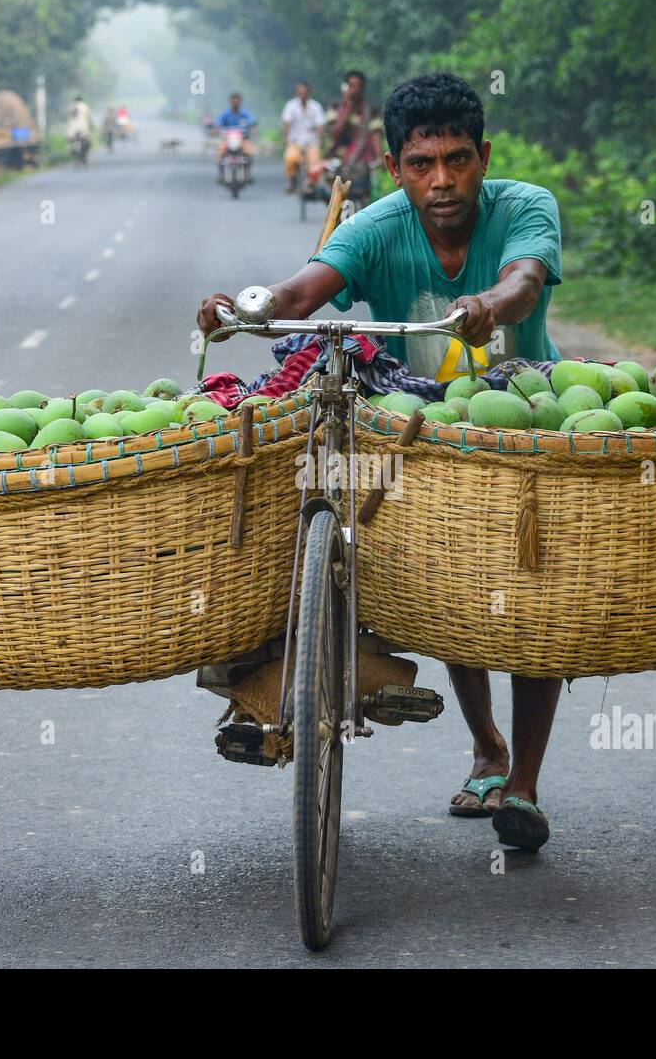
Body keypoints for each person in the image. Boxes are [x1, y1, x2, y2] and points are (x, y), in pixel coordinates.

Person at [197, 73, 564, 851]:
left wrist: (488, 309)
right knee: (452, 588)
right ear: (396, 165)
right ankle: (486, 749)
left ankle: (523, 785)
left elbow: (525, 281)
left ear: (483, 156)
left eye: (459, 161)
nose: (442, 181)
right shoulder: (376, 225)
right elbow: (301, 294)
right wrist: (243, 310)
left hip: (525, 418)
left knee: (535, 602)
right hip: (418, 423)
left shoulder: (527, 206)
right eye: (422, 163)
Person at [325, 70, 383, 207]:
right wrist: (348, 109)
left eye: (358, 86)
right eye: (351, 86)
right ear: (345, 87)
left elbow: (376, 135)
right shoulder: (335, 107)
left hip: (364, 159)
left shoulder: (372, 110)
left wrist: (380, 157)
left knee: (370, 196)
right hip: (340, 159)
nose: (355, 90)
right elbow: (334, 134)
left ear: (363, 88)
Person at [281, 81, 324, 193]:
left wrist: (320, 139)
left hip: (311, 141)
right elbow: (286, 122)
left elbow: (320, 125)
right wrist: (286, 139)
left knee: (314, 161)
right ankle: (292, 181)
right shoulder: (291, 106)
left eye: (305, 93)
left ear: (309, 93)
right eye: (300, 93)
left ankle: (311, 183)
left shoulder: (316, 106)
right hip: (295, 141)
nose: (302, 95)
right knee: (290, 158)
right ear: (297, 93)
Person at [215, 92, 257, 165]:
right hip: (228, 140)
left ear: (240, 102)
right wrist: (217, 130)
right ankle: (221, 169)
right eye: (233, 102)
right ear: (230, 102)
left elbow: (252, 122)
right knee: (220, 149)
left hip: (242, 139)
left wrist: (253, 130)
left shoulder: (245, 113)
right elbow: (218, 122)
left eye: (237, 102)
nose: (235, 104)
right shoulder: (225, 114)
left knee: (249, 150)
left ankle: (248, 168)